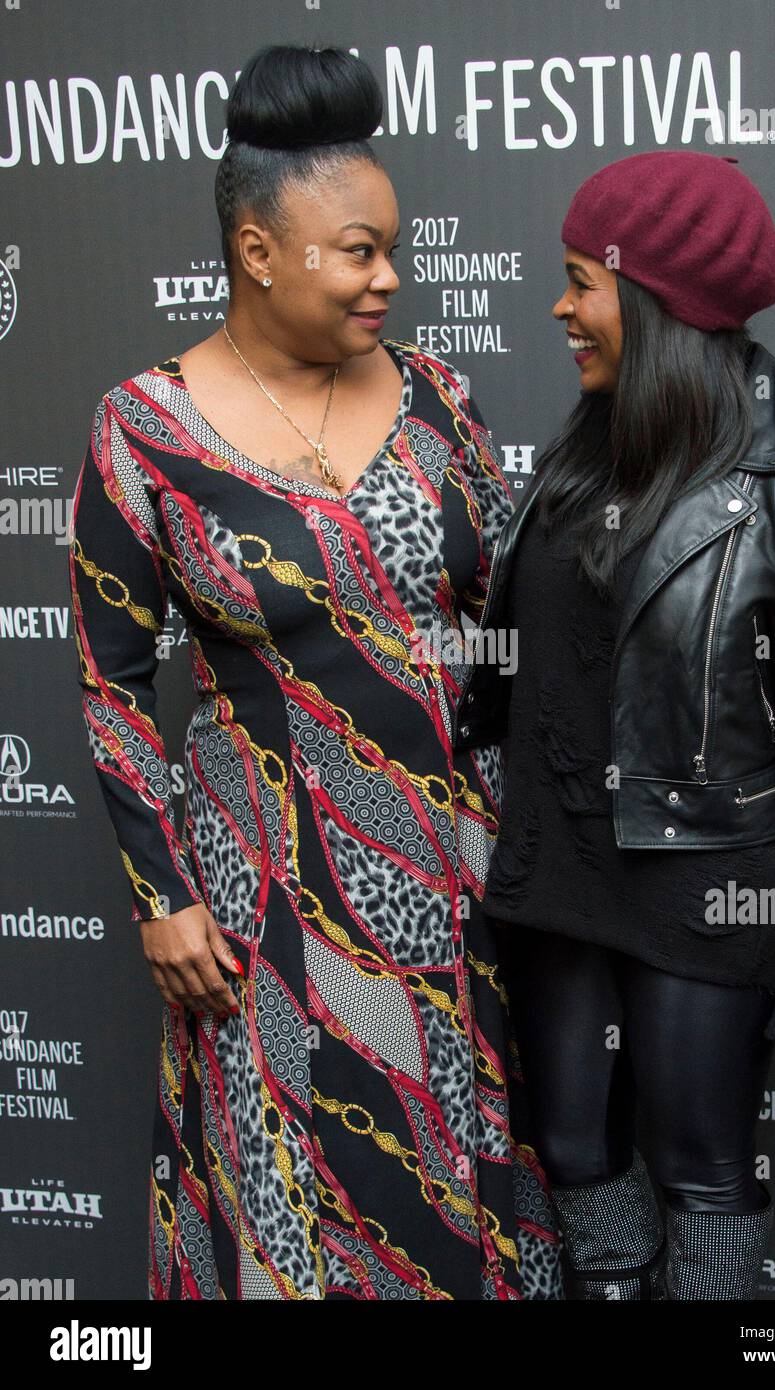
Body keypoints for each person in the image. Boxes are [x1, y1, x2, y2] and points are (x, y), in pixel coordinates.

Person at [67, 43, 564, 1301]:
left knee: (449, 1188)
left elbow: (506, 622)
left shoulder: (439, 400)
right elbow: (113, 687)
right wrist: (159, 899)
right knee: (287, 1195)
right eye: (360, 250)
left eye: (393, 248)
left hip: (449, 880)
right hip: (258, 898)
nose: (389, 278)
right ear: (257, 251)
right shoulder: (146, 430)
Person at [453, 150, 775, 1300]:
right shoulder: (571, 460)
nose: (560, 306)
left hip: (704, 881)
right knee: (578, 1160)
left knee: (700, 1179)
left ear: (656, 300)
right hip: (555, 873)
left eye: (581, 279)